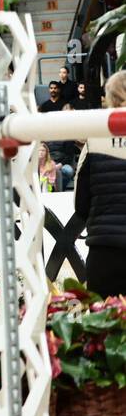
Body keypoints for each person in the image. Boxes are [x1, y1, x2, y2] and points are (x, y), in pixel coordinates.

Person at [73, 70, 126, 296]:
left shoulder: (95, 139)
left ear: (110, 99)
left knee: (105, 327)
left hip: (105, 253)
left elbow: (80, 203)